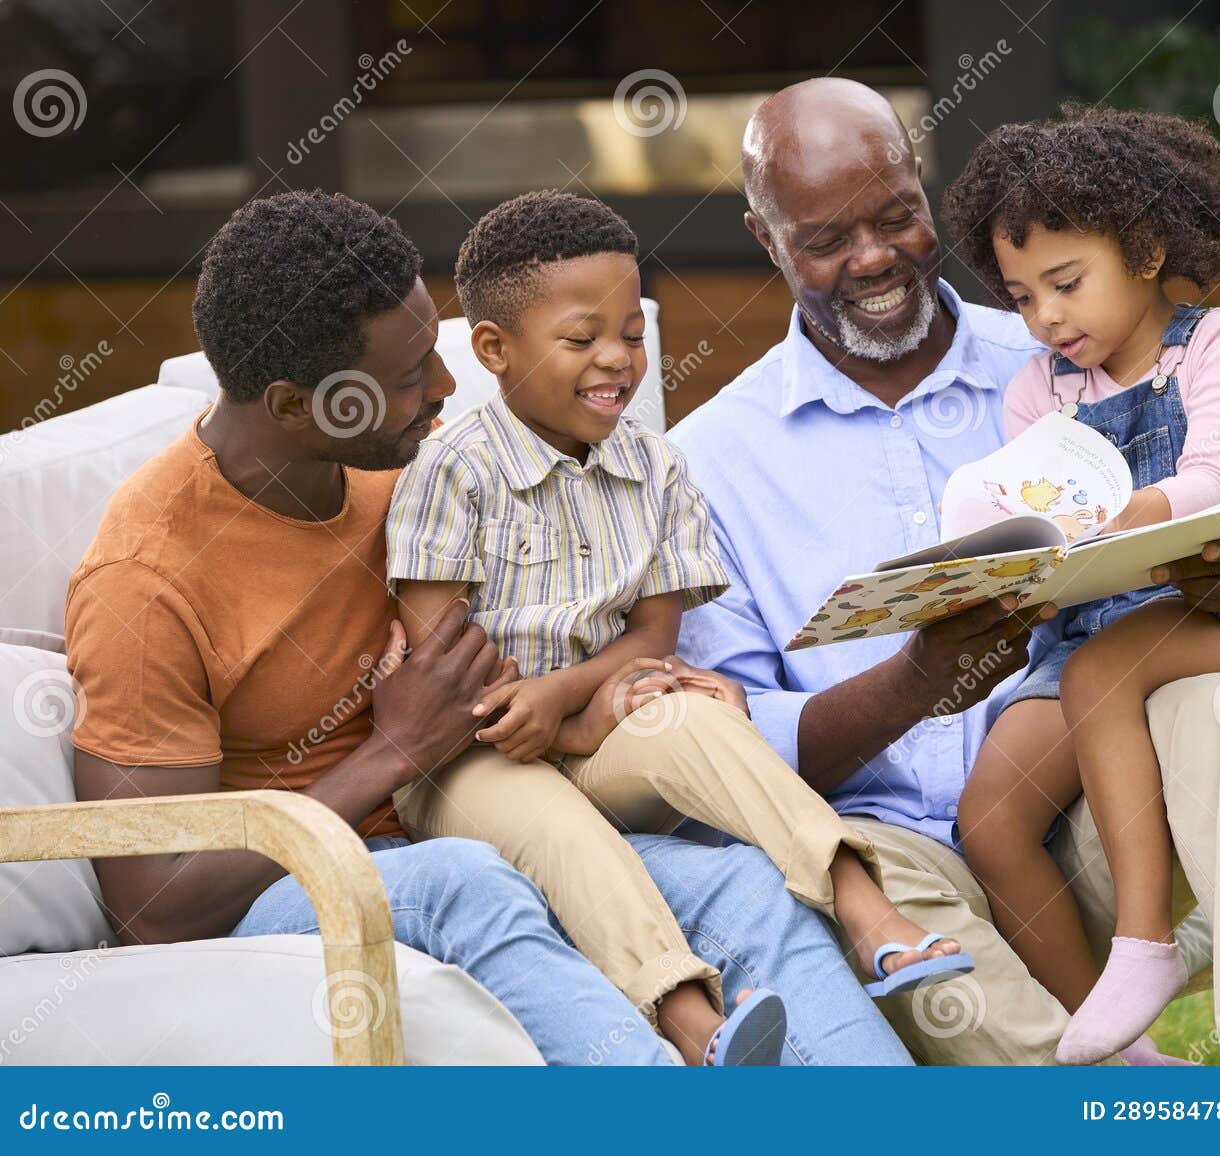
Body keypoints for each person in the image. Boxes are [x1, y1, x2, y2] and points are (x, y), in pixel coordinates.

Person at [63, 189, 913, 1066]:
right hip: (314, 876)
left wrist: (632, 683)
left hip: (497, 803)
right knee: (466, 885)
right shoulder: (146, 581)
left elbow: (576, 615)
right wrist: (393, 752)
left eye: (432, 354)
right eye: (405, 381)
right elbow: (154, 904)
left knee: (740, 888)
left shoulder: (416, 471)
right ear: (290, 406)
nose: (440, 391)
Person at [671, 77, 1220, 1066]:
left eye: (895, 217)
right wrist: (915, 679)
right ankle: (1135, 1086)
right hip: (893, 859)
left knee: (1209, 710)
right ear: (765, 238)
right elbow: (727, 743)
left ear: (923, 190)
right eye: (827, 239)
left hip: (1099, 808)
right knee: (902, 935)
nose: (874, 256)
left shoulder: (1066, 347)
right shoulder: (706, 460)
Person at [384, 189, 971, 1066]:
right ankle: (694, 1022)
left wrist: (582, 708)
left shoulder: (653, 465)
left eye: (631, 333)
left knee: (697, 711)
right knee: (558, 832)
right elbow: (442, 668)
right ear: (495, 351)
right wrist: (557, 709)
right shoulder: (454, 472)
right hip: (468, 755)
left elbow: (655, 629)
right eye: (582, 340)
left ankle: (863, 903)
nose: (616, 359)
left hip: (589, 729)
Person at [942, 104, 1220, 1064]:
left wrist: (1108, 523)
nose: (1047, 317)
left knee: (1103, 673)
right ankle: (1117, 1050)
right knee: (990, 817)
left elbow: (1212, 483)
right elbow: (1030, 513)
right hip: (1086, 632)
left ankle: (1145, 940)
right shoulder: (1039, 391)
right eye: (1022, 297)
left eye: (1066, 283)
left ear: (1146, 248)